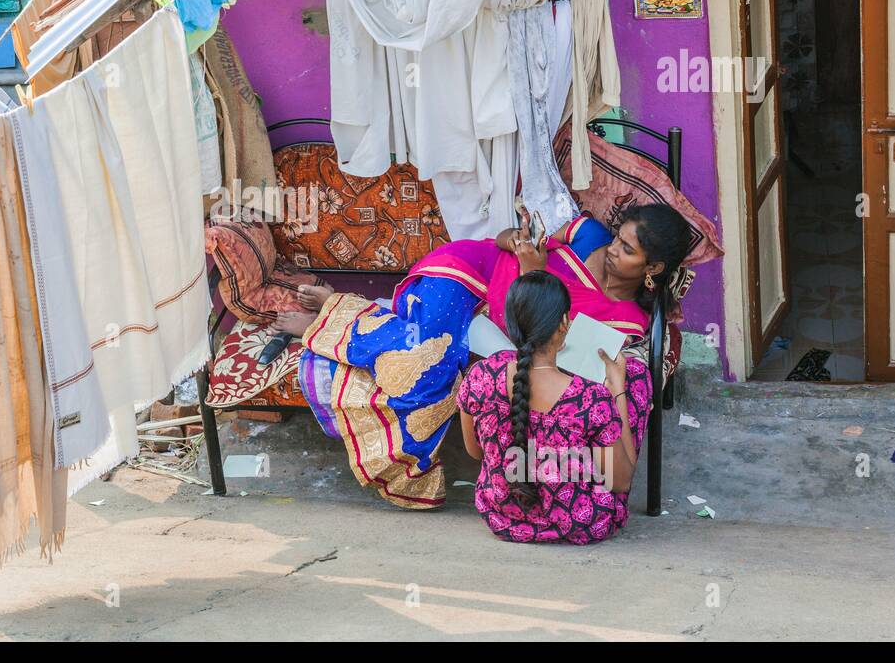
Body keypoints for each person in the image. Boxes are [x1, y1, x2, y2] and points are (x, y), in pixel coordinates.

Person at [272, 202, 690, 510]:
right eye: (618, 239)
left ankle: (344, 314)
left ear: (652, 268)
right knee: (427, 350)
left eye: (627, 250)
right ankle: (333, 313)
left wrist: (534, 272)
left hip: (492, 323)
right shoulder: (589, 235)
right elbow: (505, 239)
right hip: (470, 272)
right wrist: (518, 242)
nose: (613, 249)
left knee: (427, 369)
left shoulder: (627, 321)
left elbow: (548, 336)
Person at [457, 270, 649, 543]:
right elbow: (620, 482)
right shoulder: (592, 399)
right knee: (637, 378)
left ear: (510, 323)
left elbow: (475, 451)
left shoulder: (480, 376)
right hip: (579, 524)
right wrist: (617, 390)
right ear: (564, 323)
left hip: (503, 517)